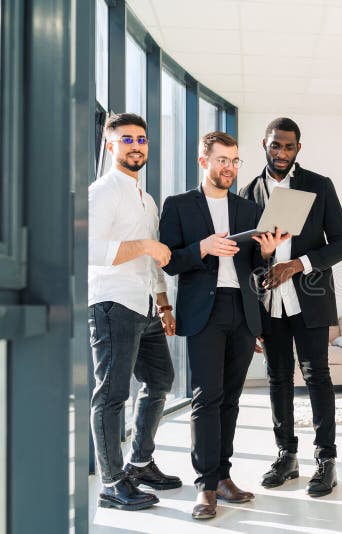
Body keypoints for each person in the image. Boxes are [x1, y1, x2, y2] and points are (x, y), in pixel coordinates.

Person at [159, 131, 289, 519]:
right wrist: (202, 248)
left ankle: (223, 477)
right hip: (204, 312)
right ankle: (204, 486)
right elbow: (168, 260)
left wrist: (267, 254)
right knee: (206, 398)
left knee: (231, 399)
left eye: (235, 161)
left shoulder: (248, 209)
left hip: (243, 311)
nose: (229, 167)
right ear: (204, 162)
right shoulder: (179, 205)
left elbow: (257, 270)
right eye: (222, 160)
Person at [238, 117, 342, 497]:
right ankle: (286, 456)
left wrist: (297, 264)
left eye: (289, 147)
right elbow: (244, 257)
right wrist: (265, 265)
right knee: (277, 378)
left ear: (298, 148)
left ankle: (326, 460)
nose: (282, 153)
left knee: (317, 375)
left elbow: (341, 243)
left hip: (310, 299)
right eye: (275, 146)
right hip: (269, 303)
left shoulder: (318, 186)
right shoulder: (247, 193)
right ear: (264, 145)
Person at [88, 112, 182, 511]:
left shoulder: (147, 198)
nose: (136, 145)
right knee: (111, 395)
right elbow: (88, 248)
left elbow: (154, 260)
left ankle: (140, 463)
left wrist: (163, 303)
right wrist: (144, 247)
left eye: (141, 139)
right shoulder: (103, 190)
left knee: (160, 378)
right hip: (112, 303)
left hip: (143, 304)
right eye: (126, 139)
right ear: (111, 146)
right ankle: (111, 483)